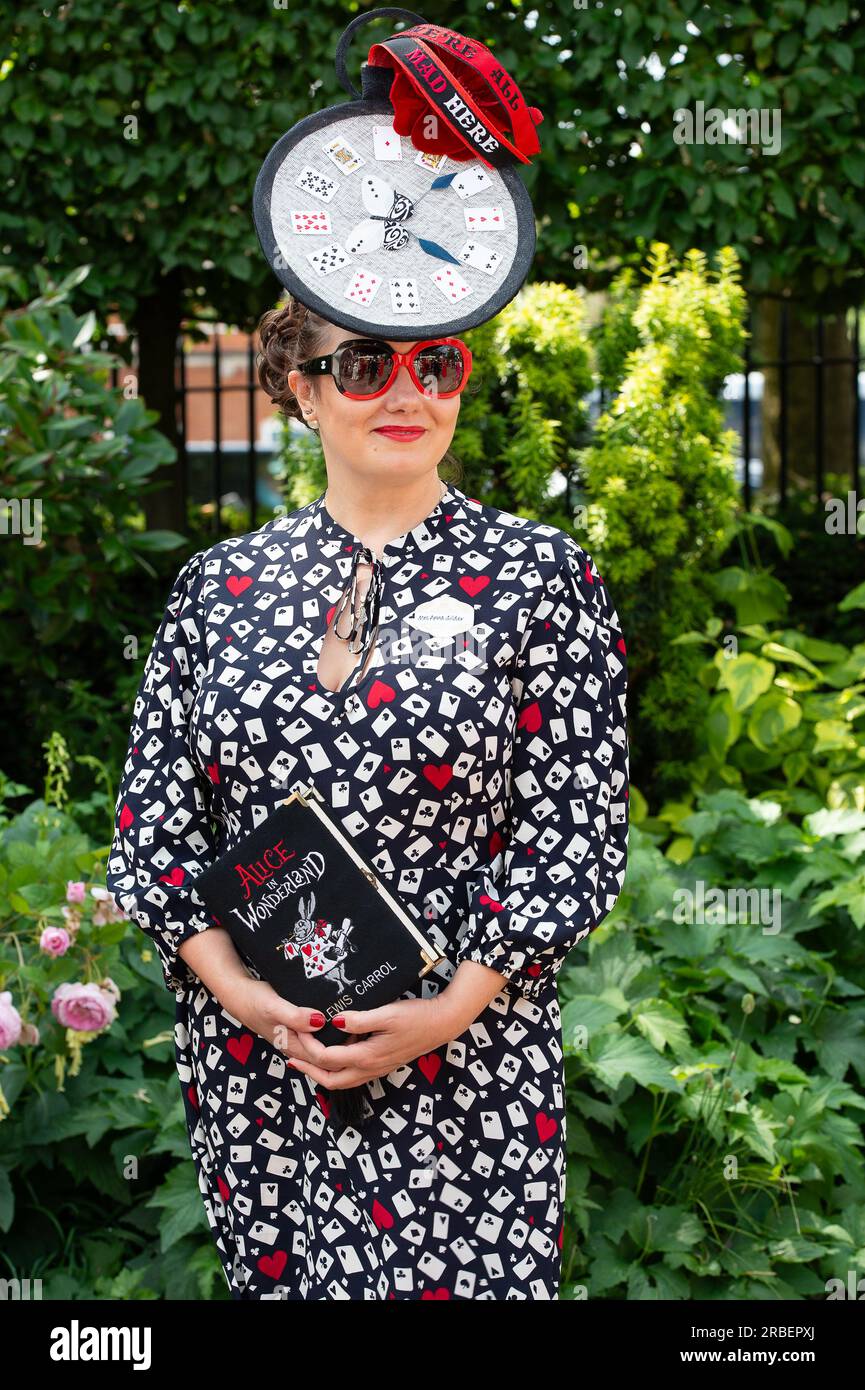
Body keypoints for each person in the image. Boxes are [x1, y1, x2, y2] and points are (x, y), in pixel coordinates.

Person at [106, 11, 630, 1300]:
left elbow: (576, 835)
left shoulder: (541, 578)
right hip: (262, 1080)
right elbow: (158, 834)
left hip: (472, 1069)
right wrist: (238, 996)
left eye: (438, 362)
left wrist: (450, 1007)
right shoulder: (217, 586)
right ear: (298, 384)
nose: (406, 390)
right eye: (365, 365)